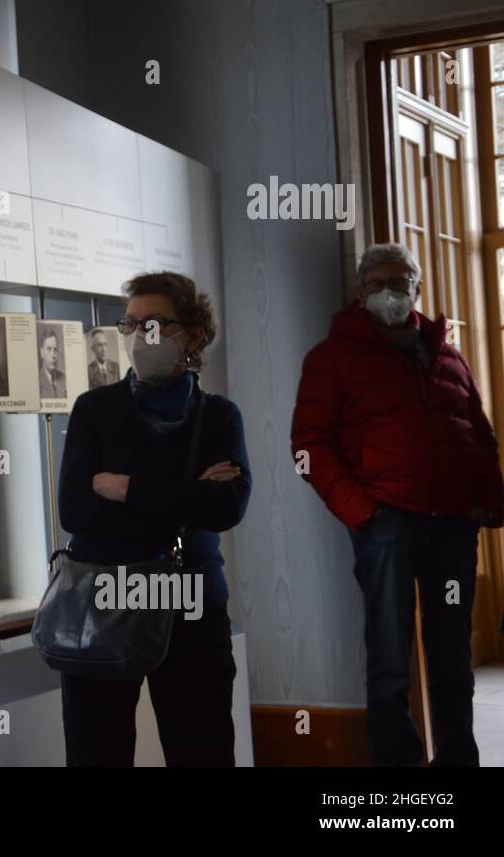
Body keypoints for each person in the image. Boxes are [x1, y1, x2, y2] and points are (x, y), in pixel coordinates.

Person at [291, 242, 502, 767]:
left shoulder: (448, 354)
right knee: (389, 661)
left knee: (452, 655)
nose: (390, 291)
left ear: (418, 289)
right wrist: (363, 513)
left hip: (452, 529)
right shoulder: (332, 357)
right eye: (378, 282)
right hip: (386, 527)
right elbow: (307, 446)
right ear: (361, 291)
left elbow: (480, 435)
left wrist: (487, 504)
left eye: (400, 281)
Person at [58, 271, 250, 766]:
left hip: (191, 602)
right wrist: (186, 497)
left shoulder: (219, 416)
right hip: (105, 598)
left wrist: (125, 488)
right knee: (97, 754)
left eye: (157, 323)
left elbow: (227, 507)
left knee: (202, 752)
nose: (141, 335)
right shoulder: (94, 409)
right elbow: (76, 510)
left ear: (194, 333)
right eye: (131, 323)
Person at [38, 326, 66, 398]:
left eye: (55, 350)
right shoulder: (36, 379)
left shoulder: (64, 378)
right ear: (42, 352)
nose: (53, 355)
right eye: (49, 349)